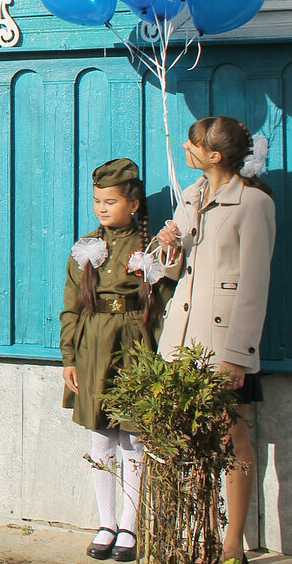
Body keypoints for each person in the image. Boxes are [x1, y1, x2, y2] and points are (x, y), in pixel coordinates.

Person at [156, 117, 275, 564]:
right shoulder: (191, 197)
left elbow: (254, 284)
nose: (185, 149)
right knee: (191, 440)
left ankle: (231, 546)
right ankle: (201, 531)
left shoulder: (253, 204)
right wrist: (168, 247)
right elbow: (173, 273)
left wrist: (236, 356)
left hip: (222, 345)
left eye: (193, 144)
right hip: (181, 340)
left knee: (232, 441)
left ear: (215, 155)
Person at [60, 159, 170, 562]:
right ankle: (105, 522)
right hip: (93, 345)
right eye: (96, 201)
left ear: (134, 204)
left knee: (133, 433)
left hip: (135, 342)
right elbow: (71, 305)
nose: (102, 208)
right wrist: (69, 355)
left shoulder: (150, 247)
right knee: (101, 433)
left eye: (110, 201)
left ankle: (130, 523)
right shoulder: (87, 245)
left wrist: (161, 357)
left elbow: (164, 305)